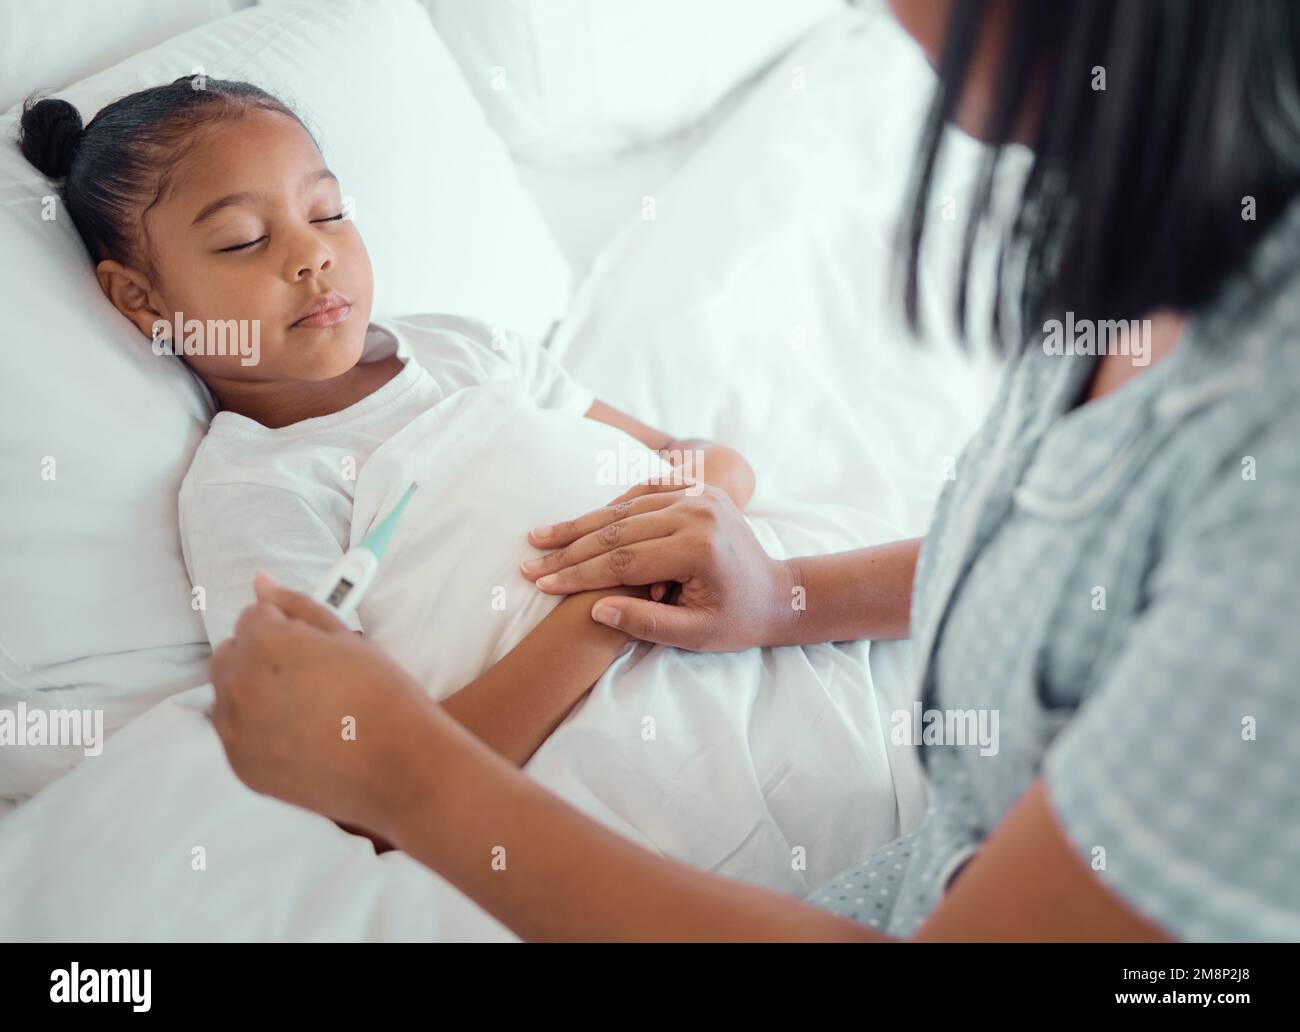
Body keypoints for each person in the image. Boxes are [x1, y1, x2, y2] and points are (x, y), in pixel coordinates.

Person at [209, 0, 1300, 941]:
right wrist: (788, 596)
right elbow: (1077, 568)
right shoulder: (1148, 221)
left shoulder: (1273, 489)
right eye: (237, 241)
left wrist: (411, 776)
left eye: (326, 211)